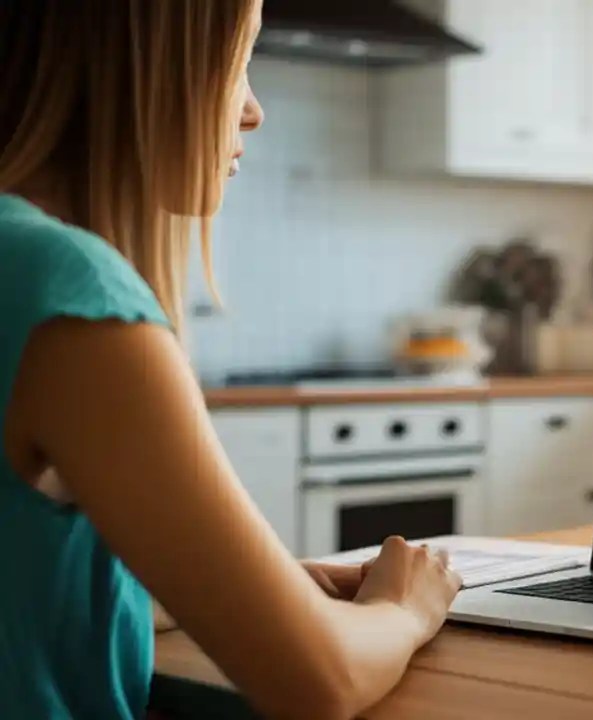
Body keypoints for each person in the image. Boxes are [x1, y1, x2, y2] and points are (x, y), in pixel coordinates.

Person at [0, 2, 461, 718]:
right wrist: (407, 607)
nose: (253, 111)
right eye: (238, 62)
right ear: (141, 67)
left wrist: (255, 590)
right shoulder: (68, 293)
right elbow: (321, 683)